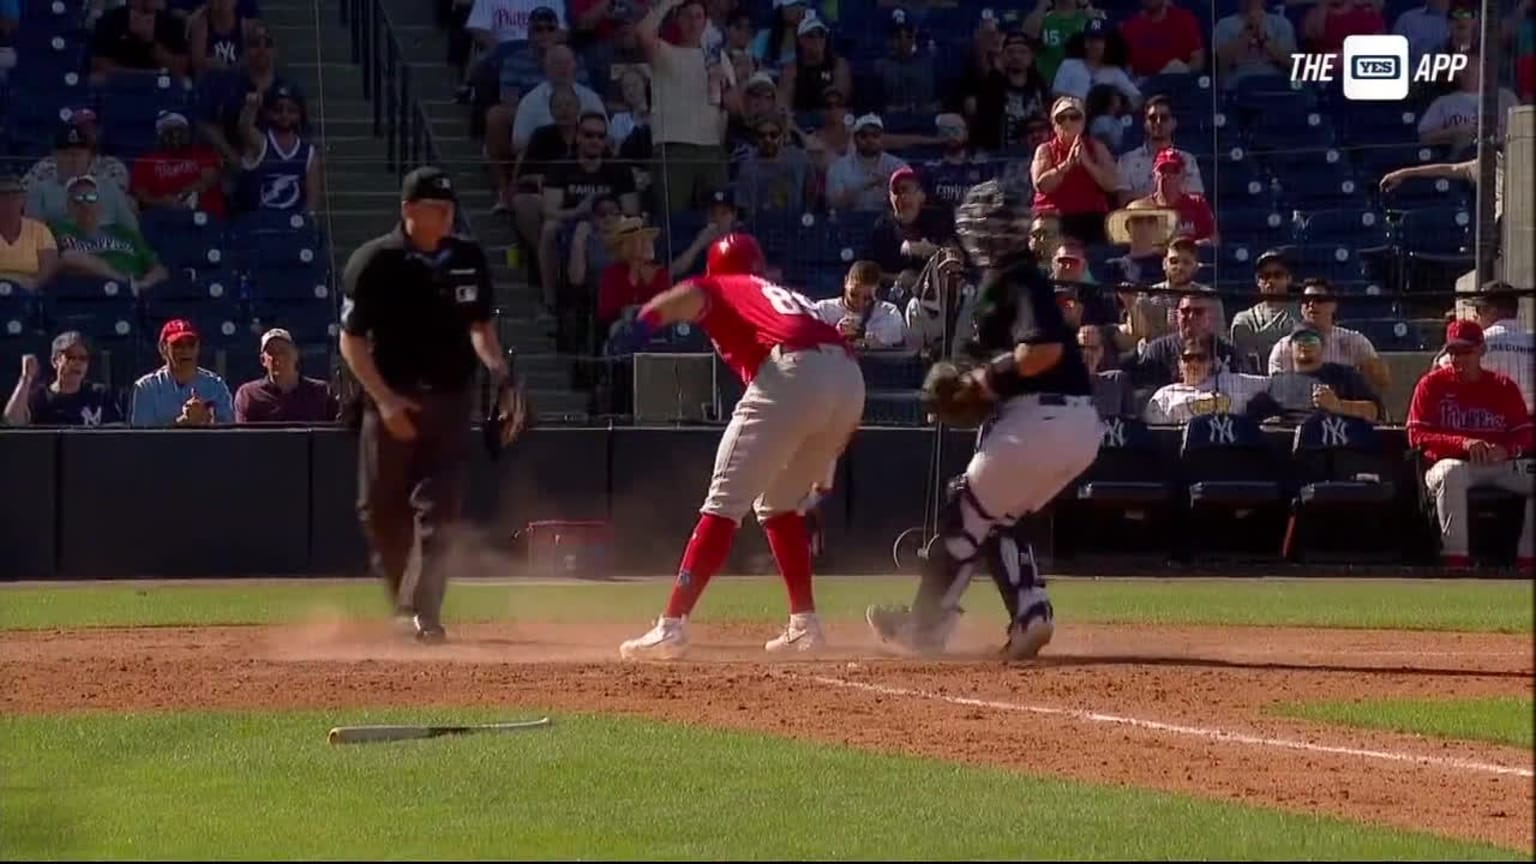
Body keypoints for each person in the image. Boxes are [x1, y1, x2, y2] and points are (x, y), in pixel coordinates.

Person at [866, 179, 1100, 660]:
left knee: (965, 511)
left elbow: (1043, 350)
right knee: (998, 515)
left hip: (1039, 421)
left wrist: (981, 382)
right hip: (1077, 427)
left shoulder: (1013, 277)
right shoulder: (1009, 281)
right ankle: (1031, 611)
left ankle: (927, 628)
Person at [617, 232, 867, 660]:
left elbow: (683, 297)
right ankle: (804, 625)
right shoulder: (780, 292)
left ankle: (671, 626)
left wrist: (636, 329)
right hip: (848, 378)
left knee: (723, 504)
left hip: (795, 370)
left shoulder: (724, 284)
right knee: (778, 504)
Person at [338, 166, 524, 643]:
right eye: (434, 208)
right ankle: (404, 595)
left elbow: (479, 326)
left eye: (449, 208)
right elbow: (351, 341)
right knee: (379, 509)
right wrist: (384, 401)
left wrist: (500, 372)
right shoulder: (375, 262)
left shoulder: (467, 257)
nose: (446, 216)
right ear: (408, 211)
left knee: (440, 510)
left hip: (449, 400)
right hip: (392, 398)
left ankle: (426, 610)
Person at [1406, 320, 1533, 571]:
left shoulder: (1503, 386)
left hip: (1499, 464)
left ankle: (1528, 560)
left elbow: (1526, 434)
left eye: (1465, 351)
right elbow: (1416, 435)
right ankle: (1456, 560)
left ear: (1481, 351)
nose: (1457, 358)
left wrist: (1508, 450)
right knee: (1451, 472)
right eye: (1452, 351)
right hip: (1452, 464)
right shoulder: (1431, 384)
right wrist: (1462, 443)